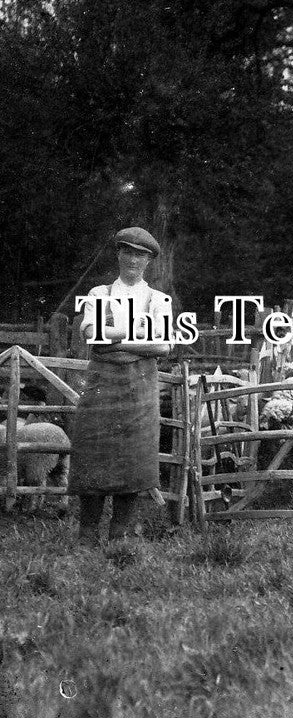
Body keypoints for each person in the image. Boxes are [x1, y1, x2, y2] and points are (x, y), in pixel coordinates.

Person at [69, 227, 174, 546]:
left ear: (149, 261)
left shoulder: (158, 300)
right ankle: (87, 534)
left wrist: (115, 341)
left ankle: (119, 534)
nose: (133, 259)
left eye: (140, 254)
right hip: (102, 384)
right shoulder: (99, 294)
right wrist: (139, 332)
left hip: (140, 388)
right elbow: (92, 337)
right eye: (127, 251)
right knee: (94, 453)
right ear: (118, 254)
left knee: (134, 458)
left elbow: (163, 346)